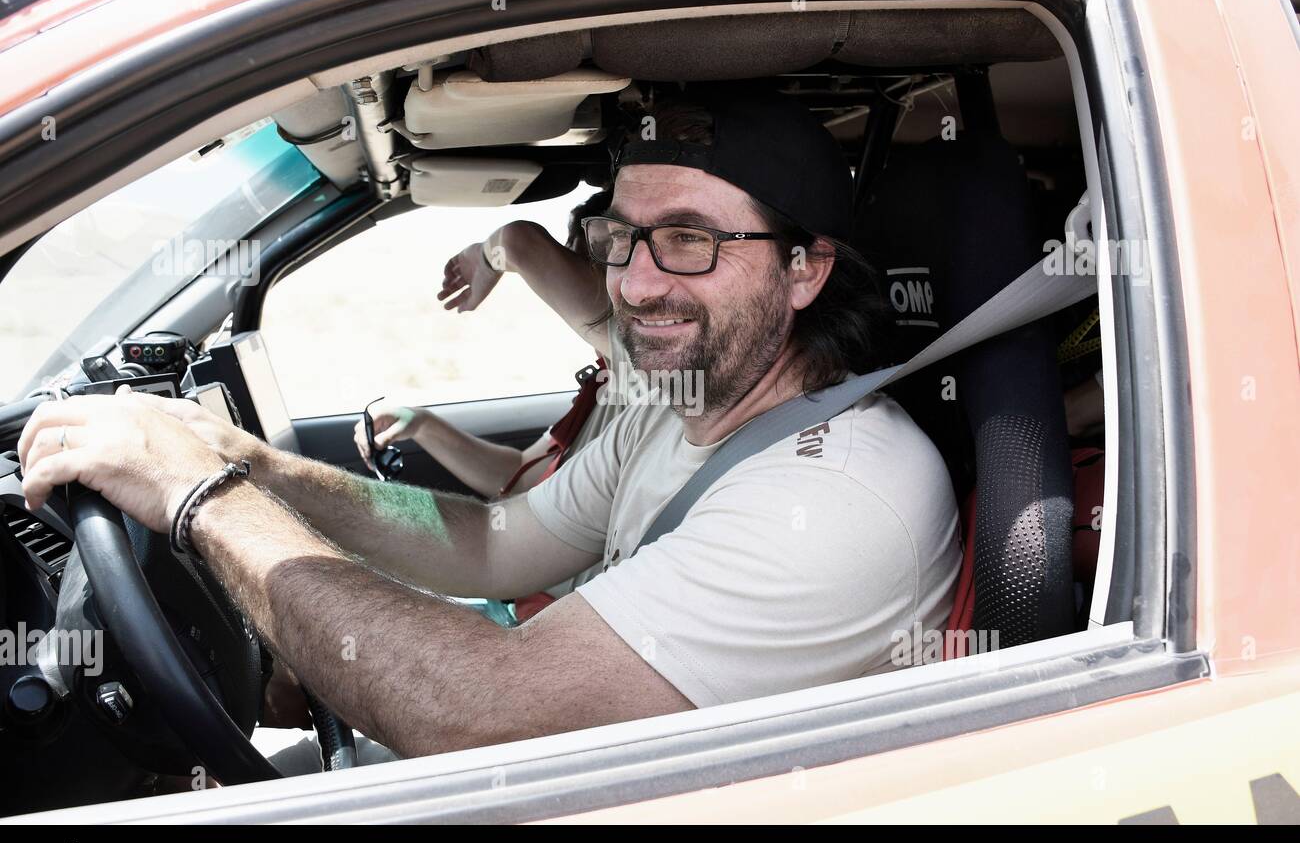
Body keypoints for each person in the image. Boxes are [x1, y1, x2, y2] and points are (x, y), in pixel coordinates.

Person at [17, 86, 961, 762]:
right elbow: (494, 543)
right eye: (621, 238)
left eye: (689, 240)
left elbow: (479, 713)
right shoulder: (673, 404)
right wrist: (251, 463)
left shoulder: (833, 497)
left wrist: (205, 501)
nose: (634, 283)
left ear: (805, 270)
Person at [353, 191, 623, 501]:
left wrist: (486, 257)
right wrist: (421, 424)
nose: (575, 277)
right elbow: (519, 477)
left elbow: (518, 241)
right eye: (572, 260)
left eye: (604, 256)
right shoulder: (607, 380)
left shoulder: (645, 369)